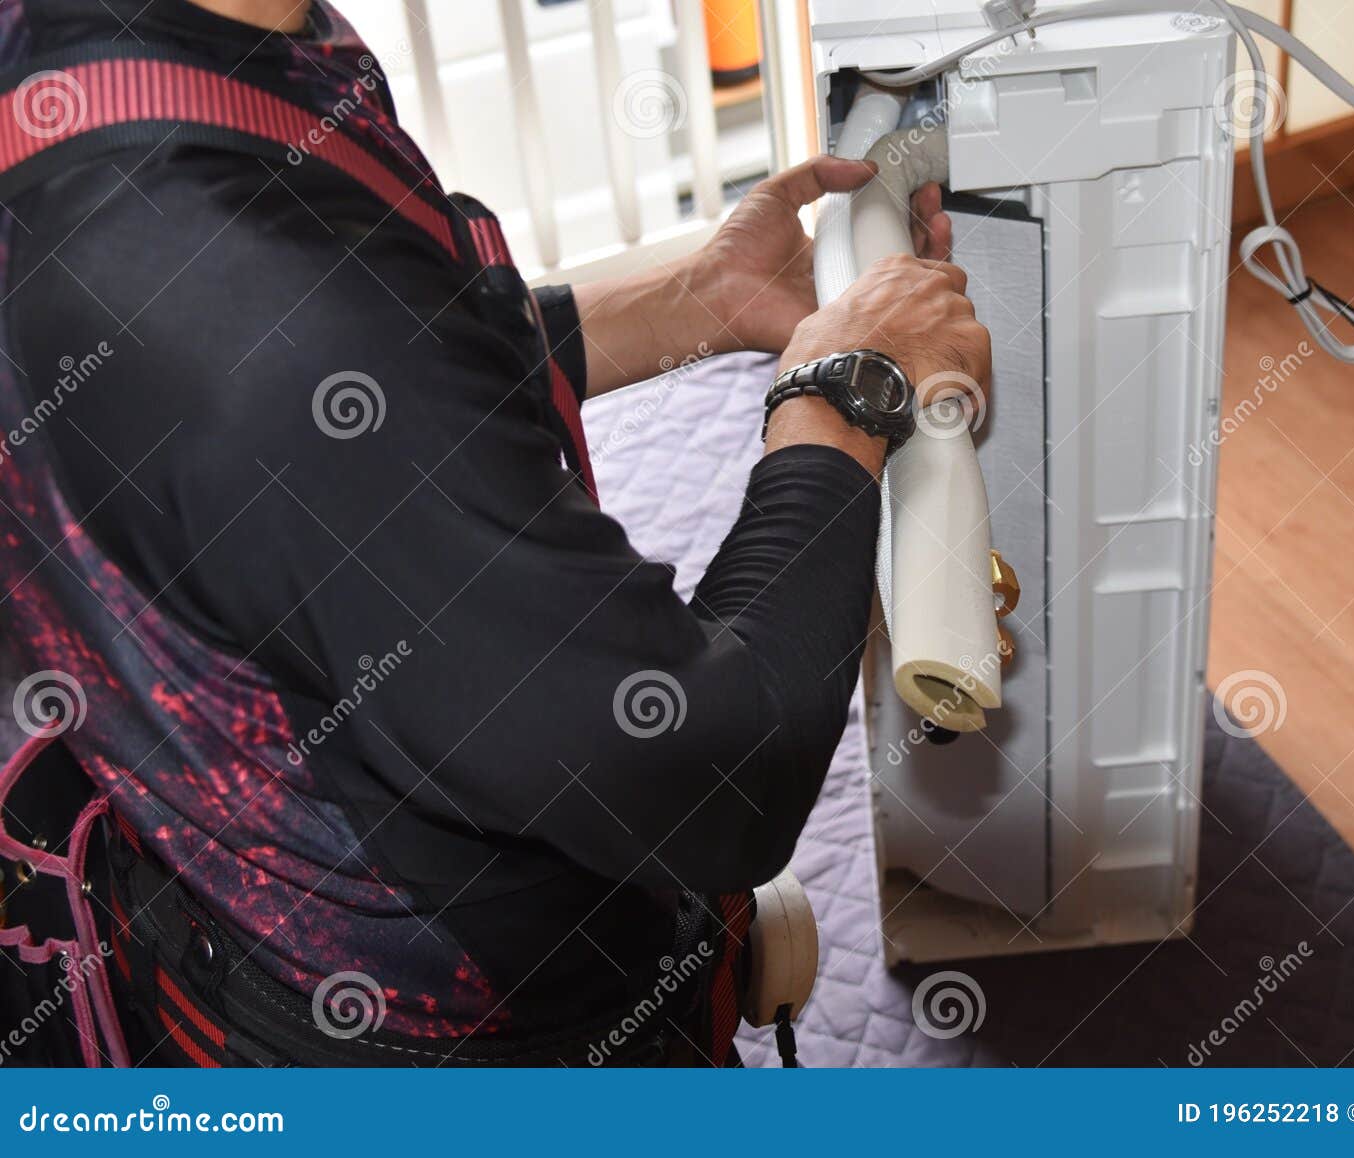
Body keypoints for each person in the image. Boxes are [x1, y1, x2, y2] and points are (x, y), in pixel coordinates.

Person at [0, 0, 990, 1065]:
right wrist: (843, 392)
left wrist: (689, 300)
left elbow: (376, 378)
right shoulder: (243, 309)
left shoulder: (108, 58)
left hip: (221, 915)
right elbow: (714, 775)